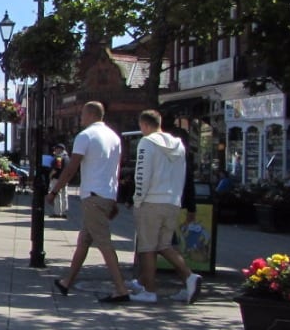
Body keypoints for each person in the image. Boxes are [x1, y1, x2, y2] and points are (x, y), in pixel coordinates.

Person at [47, 101, 131, 303]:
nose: (80, 118)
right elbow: (115, 169)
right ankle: (67, 282)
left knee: (104, 242)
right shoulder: (114, 137)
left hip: (93, 196)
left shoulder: (86, 136)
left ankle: (121, 289)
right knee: (84, 240)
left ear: (91, 114)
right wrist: (114, 198)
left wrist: (54, 191)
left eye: (83, 114)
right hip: (106, 194)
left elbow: (72, 167)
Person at [130, 109, 202, 305]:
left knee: (147, 247)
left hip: (152, 200)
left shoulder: (146, 142)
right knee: (164, 245)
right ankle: (189, 277)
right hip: (172, 201)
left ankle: (149, 291)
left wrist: (137, 199)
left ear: (144, 125)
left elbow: (142, 173)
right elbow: (184, 174)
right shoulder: (178, 145)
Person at [48, 144, 71, 218]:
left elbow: (56, 169)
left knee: (57, 195)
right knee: (64, 195)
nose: (54, 150)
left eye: (55, 149)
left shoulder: (59, 158)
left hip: (57, 179)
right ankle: (64, 212)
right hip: (65, 179)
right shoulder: (67, 158)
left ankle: (57, 213)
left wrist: (50, 176)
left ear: (59, 149)